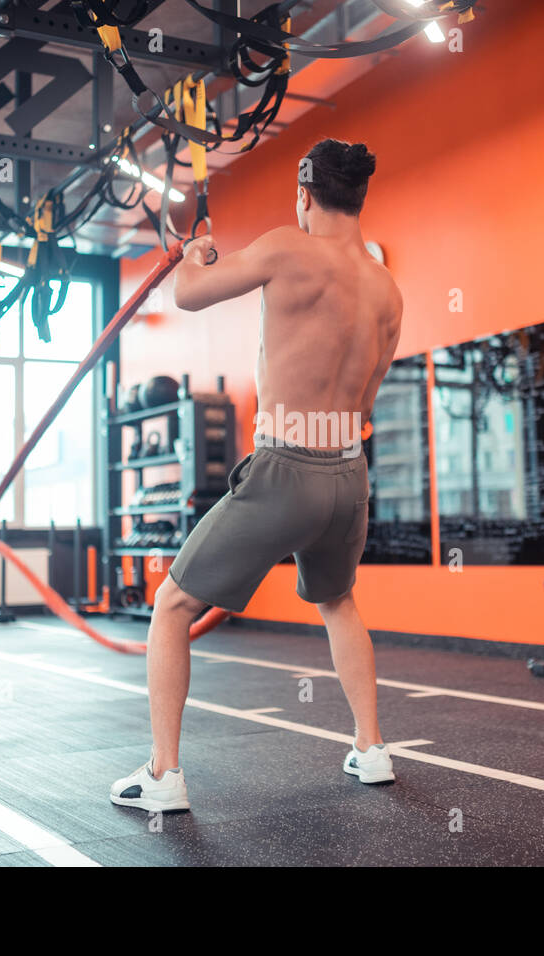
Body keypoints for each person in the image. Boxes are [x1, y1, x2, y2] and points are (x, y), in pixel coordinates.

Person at [109, 138, 403, 813]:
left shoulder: (285, 248)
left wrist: (194, 255)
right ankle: (372, 747)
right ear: (358, 197)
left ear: (305, 194)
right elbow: (367, 397)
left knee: (171, 607)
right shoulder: (388, 289)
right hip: (349, 476)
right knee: (337, 602)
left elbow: (188, 296)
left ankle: (164, 776)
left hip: (285, 469)